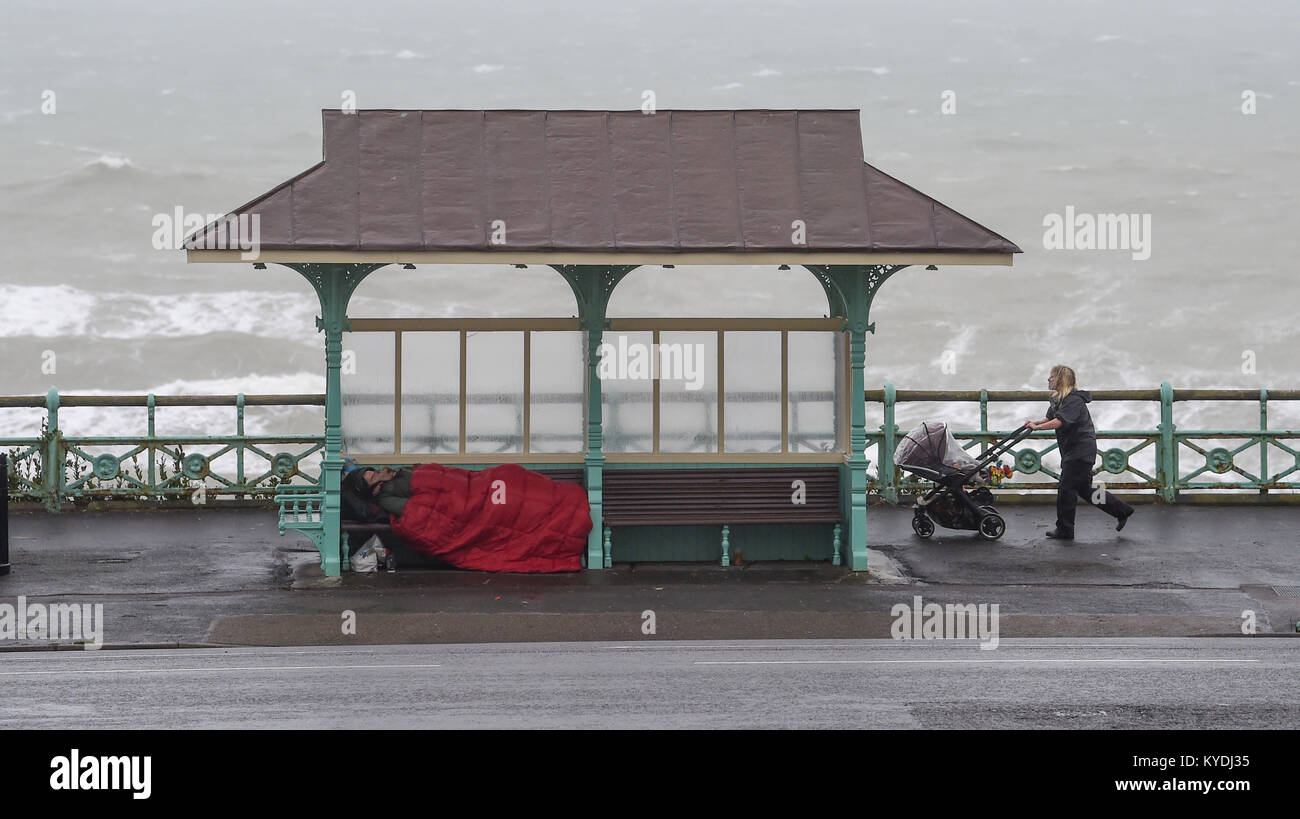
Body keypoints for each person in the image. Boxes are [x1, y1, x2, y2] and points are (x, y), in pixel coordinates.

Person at [1025, 365, 1133, 539]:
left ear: (1060, 380)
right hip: (1072, 451)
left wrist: (1037, 427)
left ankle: (1065, 529)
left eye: (1052, 376)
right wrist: (1036, 422)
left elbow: (1059, 422)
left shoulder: (1074, 400)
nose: (1048, 379)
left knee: (1066, 490)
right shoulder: (1058, 399)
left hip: (1081, 451)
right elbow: (1050, 418)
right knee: (1085, 490)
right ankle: (1122, 510)